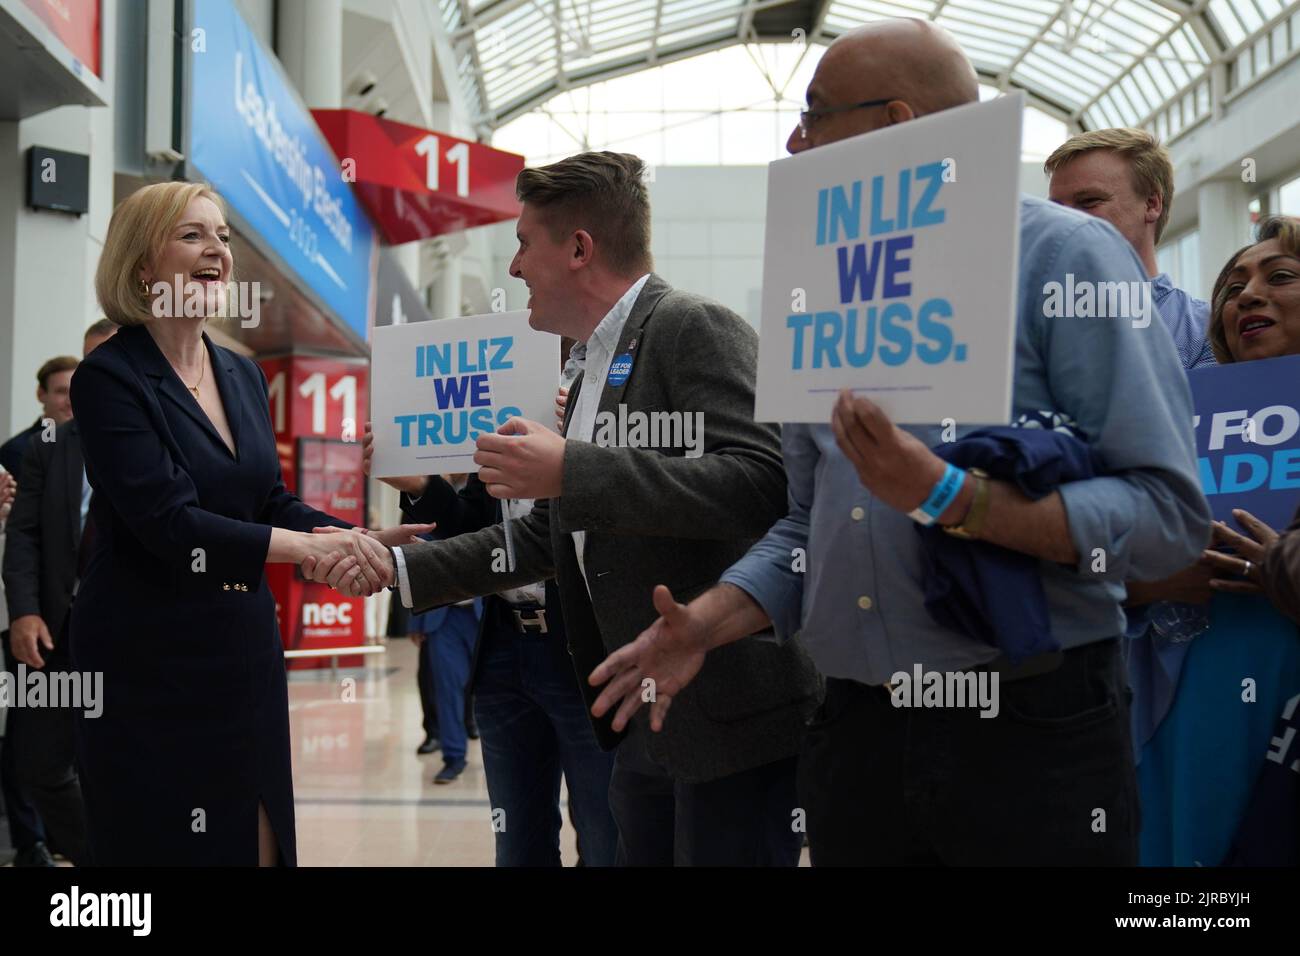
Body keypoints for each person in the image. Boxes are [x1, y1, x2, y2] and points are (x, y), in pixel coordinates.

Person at [589, 19, 1211, 866]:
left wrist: (958, 498)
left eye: (815, 114)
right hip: (855, 732)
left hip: (1027, 730)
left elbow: (1167, 516)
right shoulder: (821, 291)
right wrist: (707, 621)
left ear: (894, 124)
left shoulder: (1065, 257)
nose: (793, 138)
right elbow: (809, 527)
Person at [312, 151, 821, 866]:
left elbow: (764, 484)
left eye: (524, 243)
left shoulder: (692, 327)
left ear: (579, 249)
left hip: (726, 721)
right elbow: (544, 540)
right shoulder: (586, 372)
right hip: (640, 715)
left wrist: (573, 468)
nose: (514, 268)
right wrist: (397, 568)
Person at [68, 180, 428, 866]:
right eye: (193, 235)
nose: (218, 251)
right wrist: (308, 548)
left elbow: (267, 501)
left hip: (242, 649)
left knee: (258, 837)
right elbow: (170, 522)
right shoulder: (108, 377)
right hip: (148, 660)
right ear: (143, 265)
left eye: (224, 238)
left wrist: (353, 536)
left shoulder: (239, 373)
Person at [1131, 215, 1300, 866]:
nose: (1246, 294)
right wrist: (1142, 580)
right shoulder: (1172, 416)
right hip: (1173, 697)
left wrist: (1273, 564)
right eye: (1232, 285)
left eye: (1278, 277)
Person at [364, 437, 620, 866]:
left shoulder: (600, 399)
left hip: (585, 650)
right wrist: (422, 486)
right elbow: (473, 526)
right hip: (504, 645)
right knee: (517, 840)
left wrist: (573, 452)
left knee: (603, 835)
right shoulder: (503, 414)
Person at [0, 321, 118, 866]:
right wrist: (23, 611)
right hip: (54, 635)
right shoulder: (48, 446)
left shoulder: (165, 439)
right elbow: (23, 534)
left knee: (123, 765)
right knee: (40, 765)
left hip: (132, 638)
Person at [1045, 129, 1216, 370]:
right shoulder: (1029, 325)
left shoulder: (1205, 332)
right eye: (1056, 208)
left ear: (1151, 204)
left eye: (1089, 201)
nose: (1066, 218)